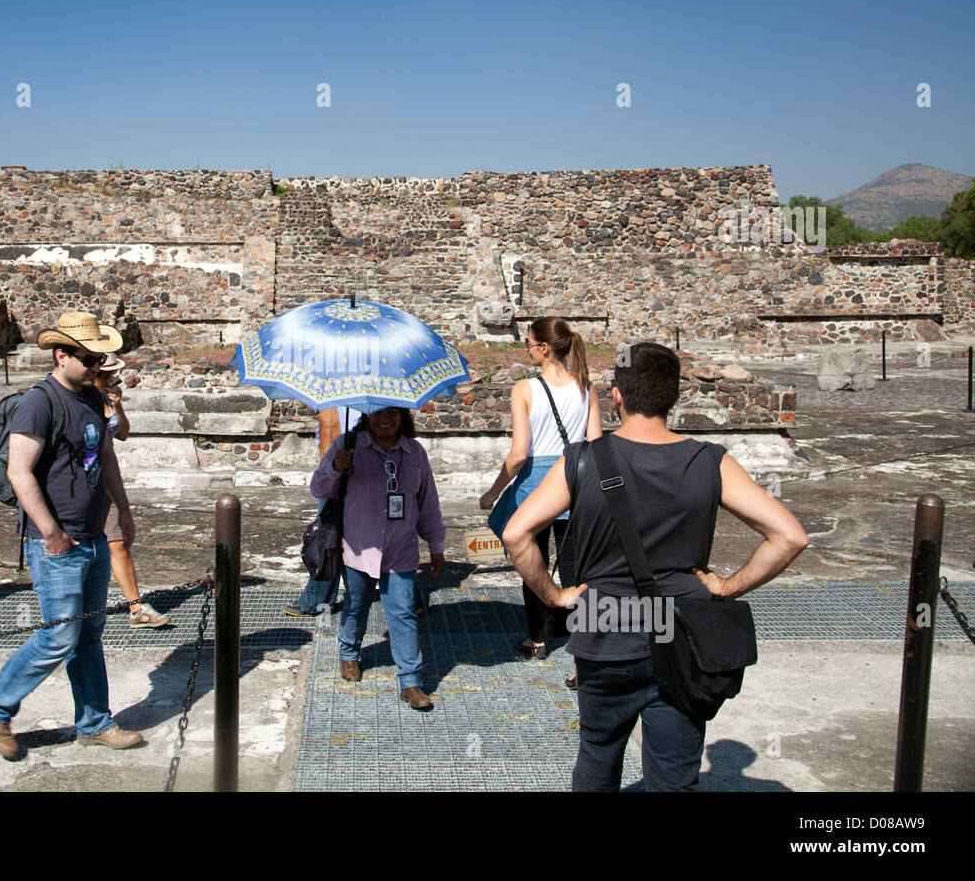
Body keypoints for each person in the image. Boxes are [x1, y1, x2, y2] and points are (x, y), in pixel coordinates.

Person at [503, 342, 808, 791]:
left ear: (617, 397)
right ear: (675, 397)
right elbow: (790, 536)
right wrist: (726, 585)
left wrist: (555, 596)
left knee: (598, 757)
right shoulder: (710, 462)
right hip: (682, 633)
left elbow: (516, 535)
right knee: (672, 774)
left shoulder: (583, 460)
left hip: (602, 628)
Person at [0, 312, 144, 759]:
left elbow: (106, 455)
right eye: (87, 358)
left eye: (98, 358)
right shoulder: (38, 402)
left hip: (91, 534)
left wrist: (122, 509)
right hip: (58, 542)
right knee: (58, 637)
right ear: (61, 354)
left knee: (88, 635)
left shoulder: (91, 397)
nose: (95, 365)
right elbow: (19, 471)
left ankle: (94, 722)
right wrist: (49, 531)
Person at [480, 317, 601, 672]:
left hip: (536, 485)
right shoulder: (587, 387)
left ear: (545, 348)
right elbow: (594, 444)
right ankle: (587, 654)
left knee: (533, 564)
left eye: (529, 344)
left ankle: (537, 639)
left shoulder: (524, 389)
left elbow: (519, 454)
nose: (526, 349)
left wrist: (493, 491)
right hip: (575, 483)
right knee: (577, 571)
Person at [313, 406, 445, 711]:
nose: (385, 420)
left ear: (402, 416)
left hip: (401, 549)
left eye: (392, 414)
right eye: (377, 414)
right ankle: (349, 652)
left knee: (402, 612)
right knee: (356, 604)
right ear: (366, 417)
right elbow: (318, 488)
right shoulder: (347, 445)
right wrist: (335, 466)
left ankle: (410, 680)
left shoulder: (415, 453)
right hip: (358, 548)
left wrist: (436, 544)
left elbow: (428, 502)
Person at [92, 357, 168, 629]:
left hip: (107, 481)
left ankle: (136, 607)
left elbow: (122, 434)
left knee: (119, 541)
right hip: (81, 485)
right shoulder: (81, 399)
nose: (115, 380)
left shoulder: (107, 396)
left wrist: (117, 405)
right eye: (111, 375)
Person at [283, 405, 362, 618]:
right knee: (328, 540)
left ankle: (407, 598)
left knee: (377, 539)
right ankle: (316, 600)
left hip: (361, 479)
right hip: (334, 476)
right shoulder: (333, 401)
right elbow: (324, 436)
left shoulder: (369, 400)